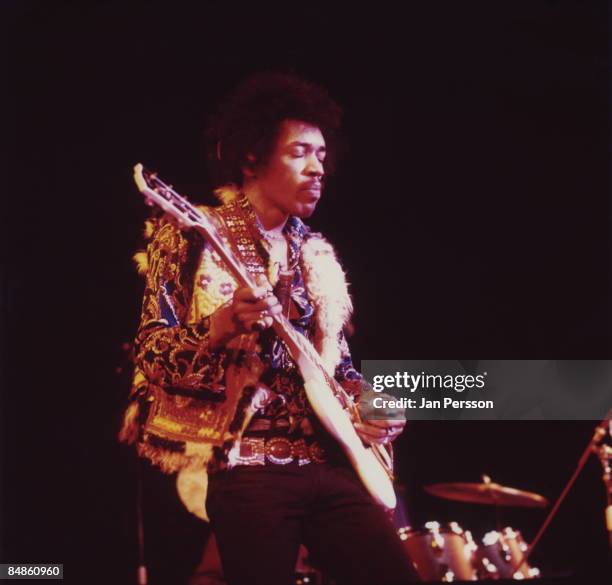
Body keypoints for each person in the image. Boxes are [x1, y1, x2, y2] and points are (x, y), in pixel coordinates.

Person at [121, 72, 417, 585]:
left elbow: (338, 371)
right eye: (299, 152)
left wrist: (373, 407)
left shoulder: (318, 255)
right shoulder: (192, 237)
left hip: (329, 464)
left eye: (322, 155)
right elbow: (151, 353)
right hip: (247, 467)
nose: (316, 168)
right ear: (252, 157)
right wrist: (220, 324)